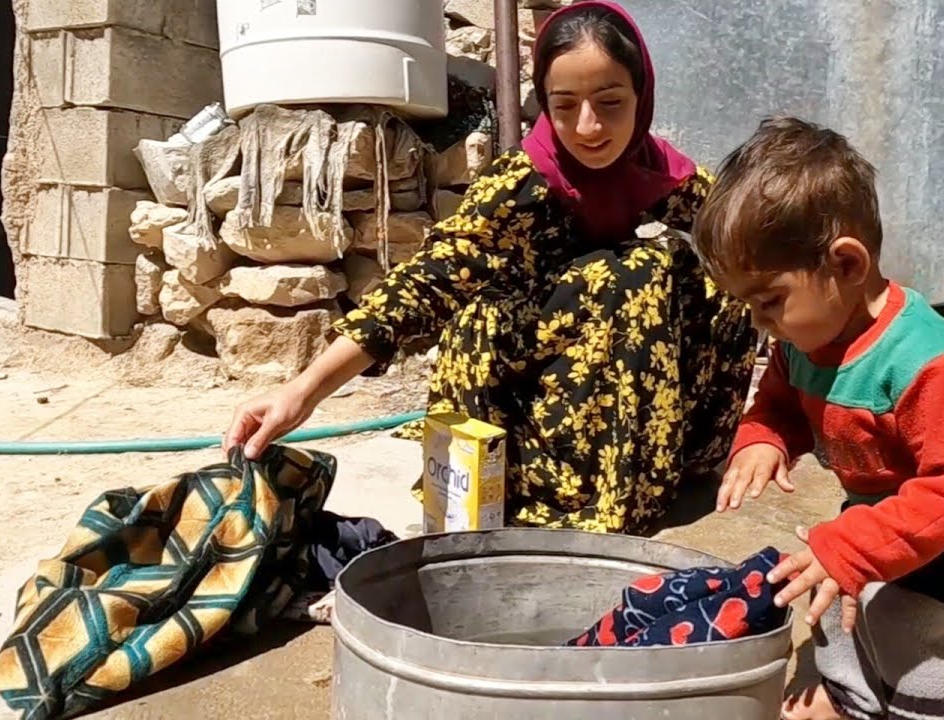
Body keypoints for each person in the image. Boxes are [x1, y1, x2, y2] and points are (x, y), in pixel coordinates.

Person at [223, 1, 754, 535]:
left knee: (722, 273)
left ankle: (681, 457)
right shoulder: (522, 185)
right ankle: (587, 491)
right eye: (564, 105)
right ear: (544, 103)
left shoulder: (655, 167)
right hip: (511, 366)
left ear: (642, 97)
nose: (588, 126)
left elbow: (744, 229)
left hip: (593, 333)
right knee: (640, 272)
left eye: (611, 102)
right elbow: (424, 282)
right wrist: (303, 390)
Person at [692, 117, 944, 720]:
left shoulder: (935, 363)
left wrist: (854, 549)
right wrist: (764, 438)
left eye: (768, 301)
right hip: (900, 500)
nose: (761, 325)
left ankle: (927, 709)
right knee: (827, 588)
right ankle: (850, 701)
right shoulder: (804, 341)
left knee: (906, 620)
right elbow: (780, 403)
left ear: (846, 264)